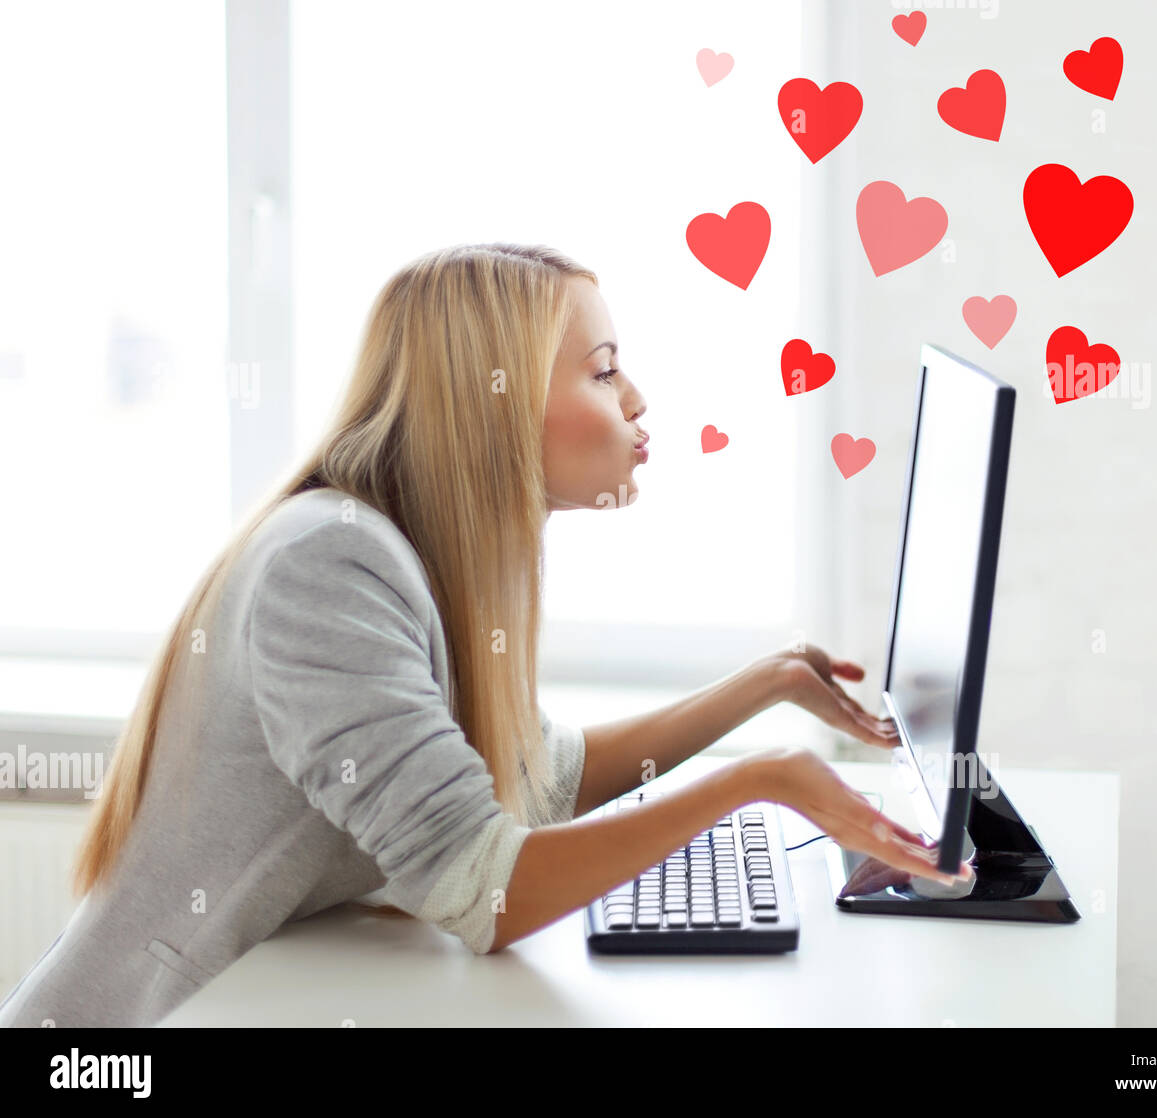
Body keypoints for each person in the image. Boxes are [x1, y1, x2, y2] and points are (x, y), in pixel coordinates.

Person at [0, 243, 969, 1028]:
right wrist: (757, 781)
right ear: (491, 400)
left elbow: (537, 773)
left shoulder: (409, 553)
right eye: (602, 369)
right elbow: (487, 893)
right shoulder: (327, 565)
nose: (637, 399)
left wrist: (758, 690)